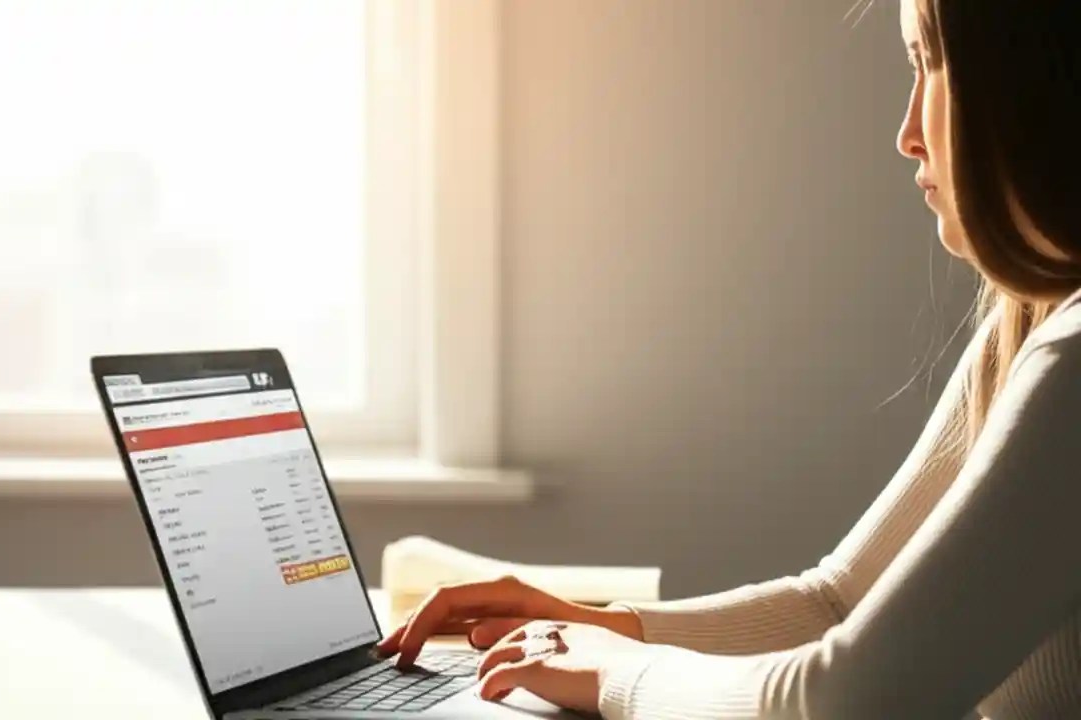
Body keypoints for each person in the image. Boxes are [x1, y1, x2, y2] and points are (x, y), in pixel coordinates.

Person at [374, 1, 1081, 717]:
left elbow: (843, 699)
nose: (906, 135)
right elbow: (840, 606)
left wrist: (620, 673)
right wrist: (597, 628)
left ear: (1031, 76)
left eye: (933, 61)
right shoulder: (1030, 321)